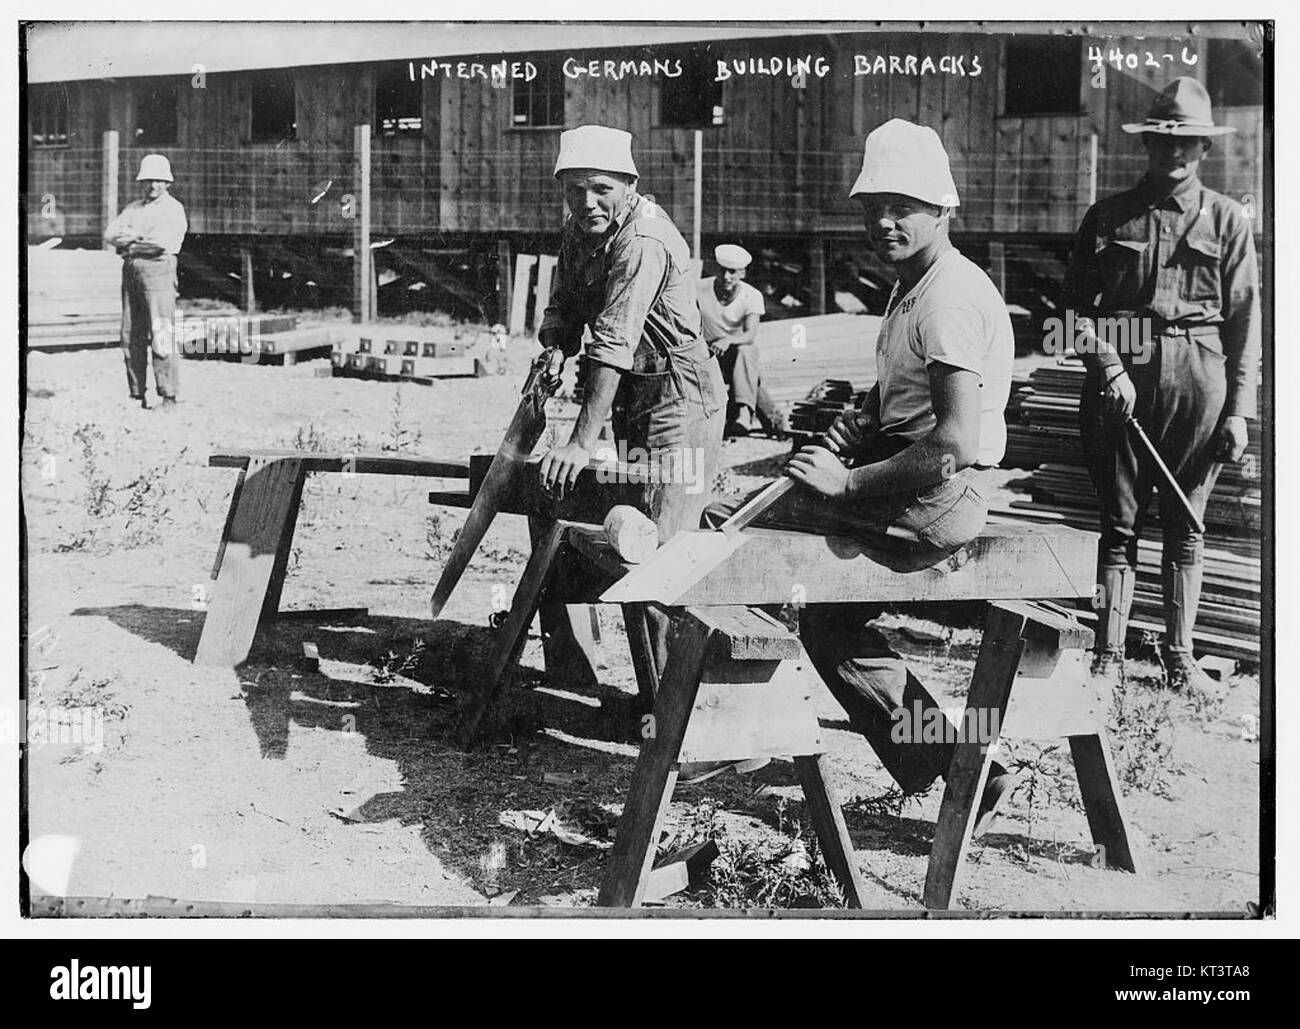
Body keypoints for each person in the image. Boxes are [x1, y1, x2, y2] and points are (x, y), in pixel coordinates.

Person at [704, 119, 1016, 830]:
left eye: (902, 206)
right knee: (829, 623)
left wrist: (845, 483)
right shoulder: (916, 287)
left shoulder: (948, 298)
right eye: (872, 205)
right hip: (916, 483)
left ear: (944, 208)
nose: (883, 221)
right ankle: (965, 762)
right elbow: (900, 395)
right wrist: (858, 423)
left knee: (735, 526)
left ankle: (715, 733)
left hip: (933, 495)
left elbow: (955, 441)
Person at [1062, 77, 1260, 691]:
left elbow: (1246, 322)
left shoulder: (1228, 220)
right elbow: (1071, 315)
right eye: (1162, 143)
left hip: (1201, 382)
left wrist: (1238, 412)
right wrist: (1108, 365)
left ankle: (1180, 656)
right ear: (1146, 145)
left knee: (1186, 520)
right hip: (1121, 380)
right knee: (1118, 524)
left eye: (1188, 144)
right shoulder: (1108, 215)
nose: (1174, 155)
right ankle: (1107, 655)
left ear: (1204, 150)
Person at [534, 125, 726, 701]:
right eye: (573, 190)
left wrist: (577, 439)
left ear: (629, 184)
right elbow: (566, 304)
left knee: (665, 551)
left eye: (599, 189)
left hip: (680, 397)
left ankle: (686, 727)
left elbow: (613, 343)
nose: (585, 202)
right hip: (637, 395)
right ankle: (654, 701)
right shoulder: (581, 227)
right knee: (630, 537)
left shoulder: (643, 240)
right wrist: (554, 344)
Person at [104, 154, 188, 410]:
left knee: (161, 333)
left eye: (159, 181)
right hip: (131, 274)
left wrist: (131, 242)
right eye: (149, 180)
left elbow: (160, 243)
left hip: (158, 273)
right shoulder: (133, 209)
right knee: (131, 335)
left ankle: (168, 395)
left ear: (168, 183)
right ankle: (136, 393)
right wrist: (138, 236)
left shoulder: (173, 209)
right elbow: (110, 234)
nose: (153, 185)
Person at [697, 244, 784, 437]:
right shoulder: (699, 289)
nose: (727, 277)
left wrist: (727, 340)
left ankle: (744, 412)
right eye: (722, 270)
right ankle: (774, 421)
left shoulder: (751, 296)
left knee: (747, 350)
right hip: (705, 354)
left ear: (742, 273)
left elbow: (750, 334)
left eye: (733, 272)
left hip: (733, 356)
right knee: (752, 376)